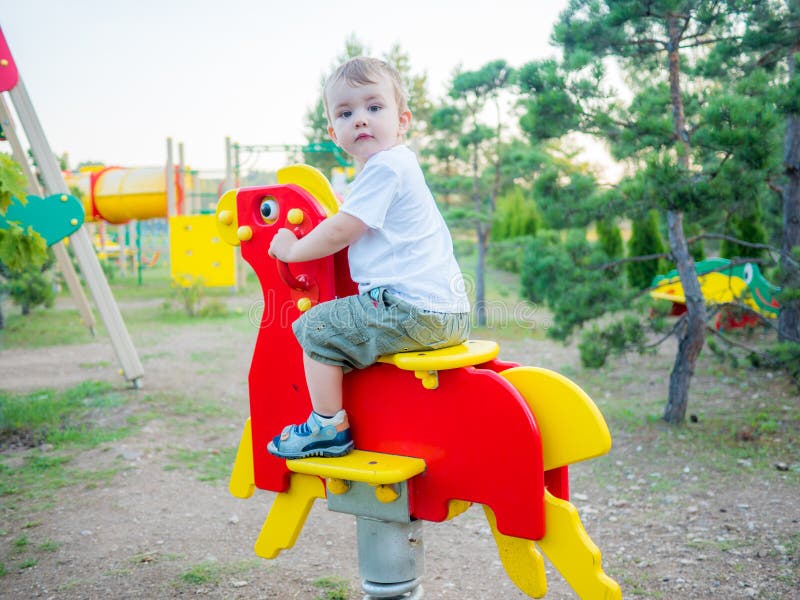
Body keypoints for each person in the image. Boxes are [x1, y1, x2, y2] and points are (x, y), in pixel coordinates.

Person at [266, 57, 470, 459]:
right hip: (445, 310)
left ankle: (327, 427)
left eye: (374, 107)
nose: (360, 119)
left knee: (315, 328)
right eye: (346, 112)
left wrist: (292, 250)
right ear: (333, 131)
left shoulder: (386, 167)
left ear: (402, 120)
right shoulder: (396, 167)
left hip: (410, 308)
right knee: (343, 325)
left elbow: (342, 230)